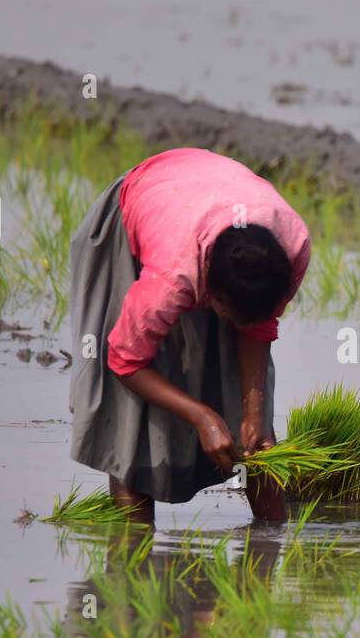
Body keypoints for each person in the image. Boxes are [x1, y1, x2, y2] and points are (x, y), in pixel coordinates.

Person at [68, 148, 310, 525]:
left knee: (258, 439)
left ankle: (270, 538)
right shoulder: (172, 277)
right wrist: (202, 417)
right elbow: (124, 361)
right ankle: (131, 561)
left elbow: (259, 327)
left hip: (207, 201)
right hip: (149, 202)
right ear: (208, 294)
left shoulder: (290, 248)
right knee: (132, 420)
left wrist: (254, 414)